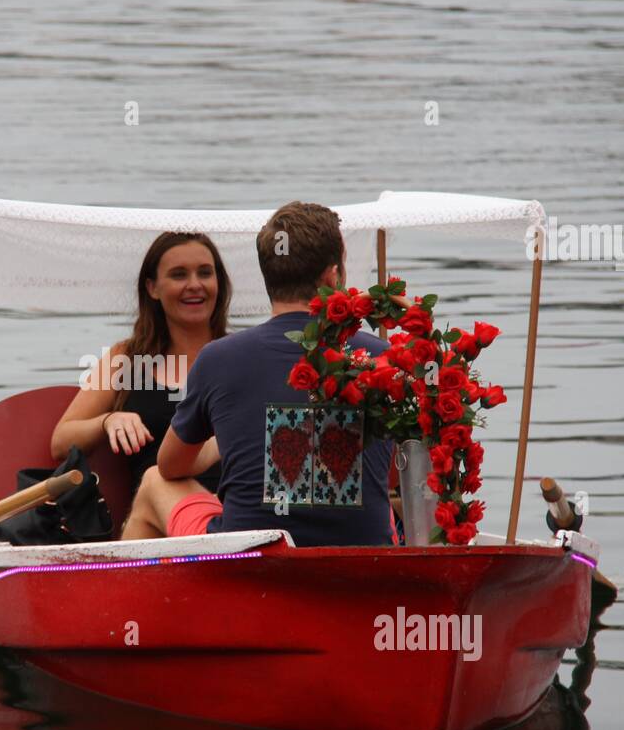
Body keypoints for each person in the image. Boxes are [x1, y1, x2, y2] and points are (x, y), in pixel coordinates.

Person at [121, 202, 394, 546]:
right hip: (364, 554)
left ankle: (136, 597)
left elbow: (170, 467)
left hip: (252, 554)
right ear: (333, 276)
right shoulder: (383, 357)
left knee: (152, 483)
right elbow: (400, 471)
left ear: (267, 276)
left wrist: (232, 437)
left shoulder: (219, 358)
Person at [50, 231, 229, 498]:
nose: (194, 284)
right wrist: (108, 421)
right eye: (179, 275)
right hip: (155, 519)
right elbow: (61, 442)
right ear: (152, 288)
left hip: (233, 514)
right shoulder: (126, 359)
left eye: (205, 273)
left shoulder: (241, 354)